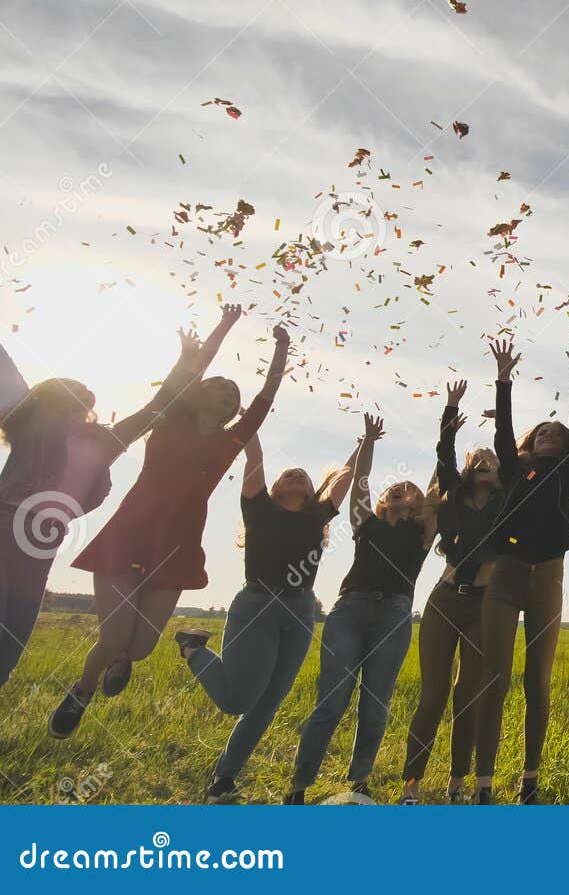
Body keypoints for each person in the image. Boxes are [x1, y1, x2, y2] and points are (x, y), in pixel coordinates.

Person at [50, 318, 290, 737]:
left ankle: (129, 659)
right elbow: (192, 370)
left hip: (178, 543)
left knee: (140, 649)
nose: (228, 392)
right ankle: (81, 692)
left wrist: (281, 348)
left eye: (233, 393)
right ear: (198, 394)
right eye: (219, 386)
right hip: (132, 529)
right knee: (114, 637)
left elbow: (266, 396)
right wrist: (225, 324)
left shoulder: (233, 440)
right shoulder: (169, 417)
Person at [1, 306, 235, 690]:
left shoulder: (104, 442)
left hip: (38, 554)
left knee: (6, 659)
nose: (83, 398)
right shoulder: (29, 424)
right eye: (73, 393)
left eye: (85, 398)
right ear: (45, 399)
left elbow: (156, 407)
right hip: (5, 532)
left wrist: (184, 362)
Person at [174, 427, 360, 802]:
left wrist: (363, 444)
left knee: (265, 706)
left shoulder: (317, 516)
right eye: (288, 473)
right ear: (274, 487)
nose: (295, 475)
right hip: (257, 606)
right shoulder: (257, 506)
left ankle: (223, 780)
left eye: (303, 476)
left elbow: (344, 479)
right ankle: (193, 648)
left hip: (300, 610)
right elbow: (253, 457)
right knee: (236, 702)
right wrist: (253, 425)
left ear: (312, 491)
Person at [286, 414, 434, 803]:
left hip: (394, 616)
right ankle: (299, 785)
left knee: (375, 706)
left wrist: (446, 433)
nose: (406, 493)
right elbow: (361, 484)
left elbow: (437, 488)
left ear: (420, 504)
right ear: (387, 499)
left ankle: (360, 780)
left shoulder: (422, 533)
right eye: (398, 489)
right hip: (350, 611)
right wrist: (368, 441)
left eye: (412, 490)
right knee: (331, 701)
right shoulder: (365, 522)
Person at [473, 331, 569, 805]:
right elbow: (504, 434)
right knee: (494, 677)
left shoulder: (568, 472)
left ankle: (530, 778)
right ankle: (484, 782)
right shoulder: (515, 468)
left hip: (548, 577)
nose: (548, 436)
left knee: (536, 681)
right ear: (530, 441)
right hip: (506, 574)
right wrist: (503, 382)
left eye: (555, 434)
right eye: (541, 431)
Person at [399, 381, 504, 804]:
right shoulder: (454, 498)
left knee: (469, 695)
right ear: (467, 468)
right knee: (433, 693)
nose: (485, 462)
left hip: (486, 606)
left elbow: (513, 462)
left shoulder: (507, 503)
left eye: (492, 459)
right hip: (444, 601)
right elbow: (443, 456)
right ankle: (411, 784)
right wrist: (451, 411)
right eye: (477, 459)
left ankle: (458, 781)